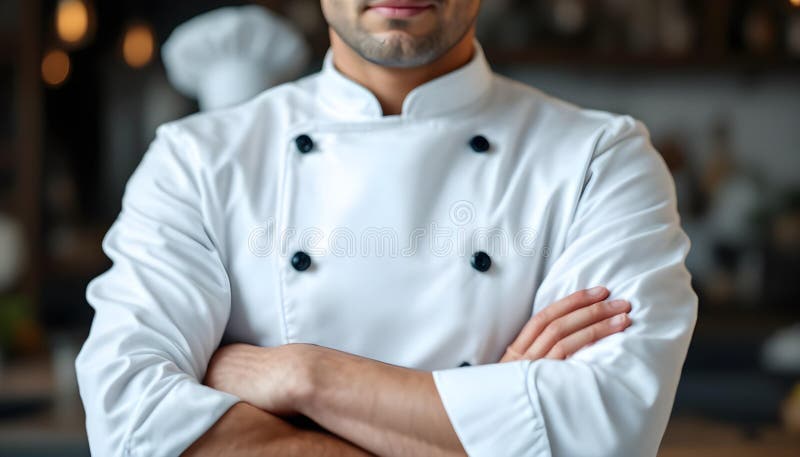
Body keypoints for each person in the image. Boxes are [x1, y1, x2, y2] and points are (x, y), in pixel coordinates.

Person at [75, 1, 697, 456]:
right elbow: (129, 421)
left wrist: (301, 377)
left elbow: (604, 430)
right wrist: (494, 421)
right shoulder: (197, 160)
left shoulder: (599, 160)